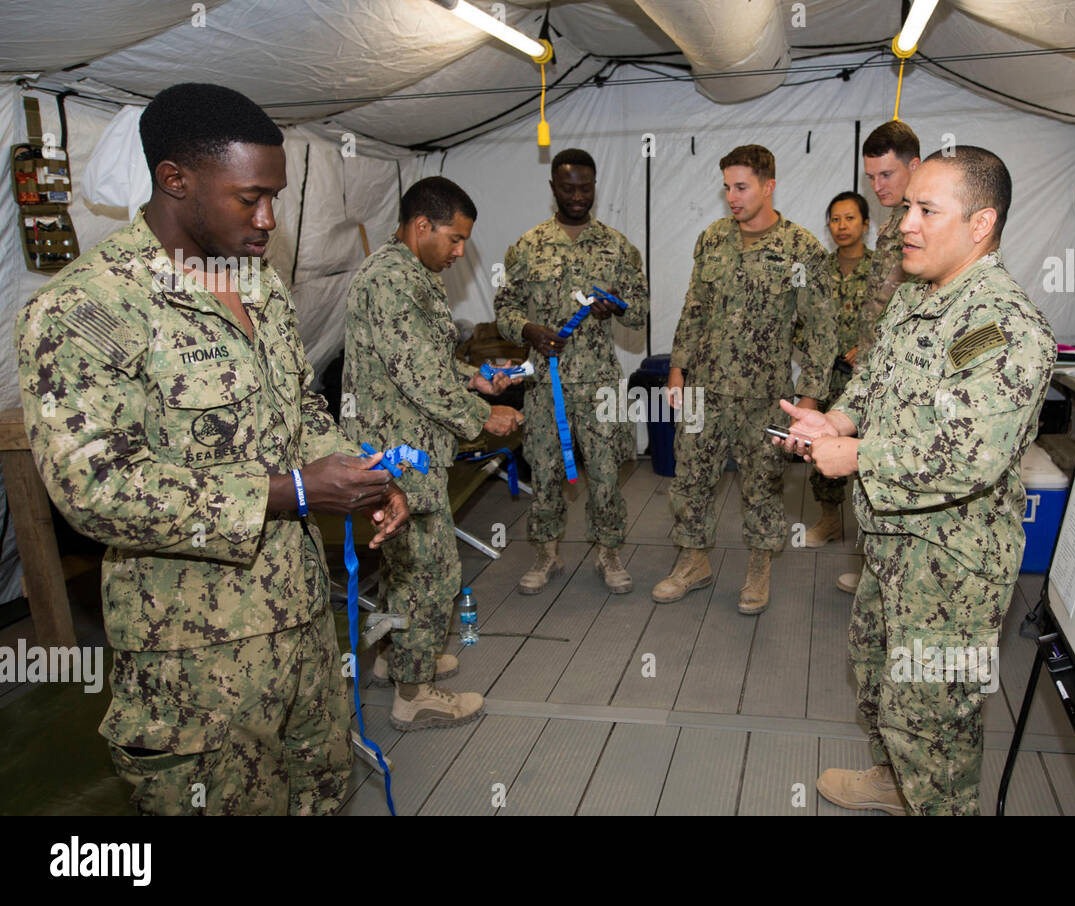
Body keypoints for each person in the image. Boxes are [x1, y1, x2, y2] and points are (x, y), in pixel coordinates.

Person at [14, 83, 410, 815]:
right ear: (175, 180)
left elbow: (300, 409)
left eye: (277, 199)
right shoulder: (84, 308)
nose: (268, 220)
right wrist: (294, 491)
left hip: (301, 626)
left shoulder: (255, 284)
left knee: (322, 798)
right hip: (197, 663)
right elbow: (97, 492)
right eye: (249, 198)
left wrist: (362, 476)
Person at [775, 146, 1056, 815]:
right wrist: (834, 421)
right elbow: (873, 379)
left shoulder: (1005, 326)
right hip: (890, 550)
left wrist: (858, 456)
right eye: (907, 208)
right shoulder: (912, 298)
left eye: (928, 210)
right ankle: (895, 783)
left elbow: (969, 457)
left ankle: (930, 798)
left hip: (950, 569)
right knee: (876, 682)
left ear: (981, 223)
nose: (905, 223)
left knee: (935, 728)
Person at [342, 176, 522, 731]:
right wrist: (481, 416)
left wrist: (476, 379)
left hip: (403, 444)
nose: (461, 251)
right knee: (432, 572)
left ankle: (394, 657)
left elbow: (426, 362)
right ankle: (413, 694)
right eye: (456, 238)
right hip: (401, 453)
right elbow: (419, 375)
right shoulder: (393, 279)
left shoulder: (411, 273)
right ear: (422, 226)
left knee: (400, 570)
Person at [654, 145, 835, 614]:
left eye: (741, 187)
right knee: (690, 479)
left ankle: (759, 568)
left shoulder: (801, 250)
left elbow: (820, 331)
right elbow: (694, 308)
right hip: (705, 391)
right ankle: (693, 562)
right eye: (726, 187)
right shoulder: (713, 239)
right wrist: (677, 369)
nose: (731, 197)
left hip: (764, 397)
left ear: (768, 186)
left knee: (763, 485)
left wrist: (810, 400)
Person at [494, 148, 648, 595]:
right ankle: (546, 553)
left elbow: (638, 314)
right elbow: (505, 309)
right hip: (546, 383)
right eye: (568, 187)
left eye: (586, 187)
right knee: (544, 473)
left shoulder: (618, 247)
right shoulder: (526, 248)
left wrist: (613, 308)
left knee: (604, 473)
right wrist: (529, 330)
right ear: (553, 189)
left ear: (595, 186)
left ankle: (609, 552)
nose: (578, 196)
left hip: (599, 382)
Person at [832, 120, 923, 587]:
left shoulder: (925, 226)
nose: (877, 186)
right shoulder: (893, 226)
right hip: (874, 373)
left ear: (915, 166)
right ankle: (875, 571)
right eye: (870, 177)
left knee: (894, 481)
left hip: (905, 380)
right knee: (872, 482)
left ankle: (889, 578)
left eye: (886, 175)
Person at [800, 191, 873, 548]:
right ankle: (830, 520)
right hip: (827, 377)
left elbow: (897, 318)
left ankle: (871, 532)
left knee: (869, 452)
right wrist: (819, 348)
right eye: (835, 219)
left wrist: (869, 347)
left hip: (870, 380)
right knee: (824, 448)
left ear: (865, 224)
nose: (841, 226)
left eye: (849, 218)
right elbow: (798, 320)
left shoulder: (885, 271)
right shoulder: (818, 270)